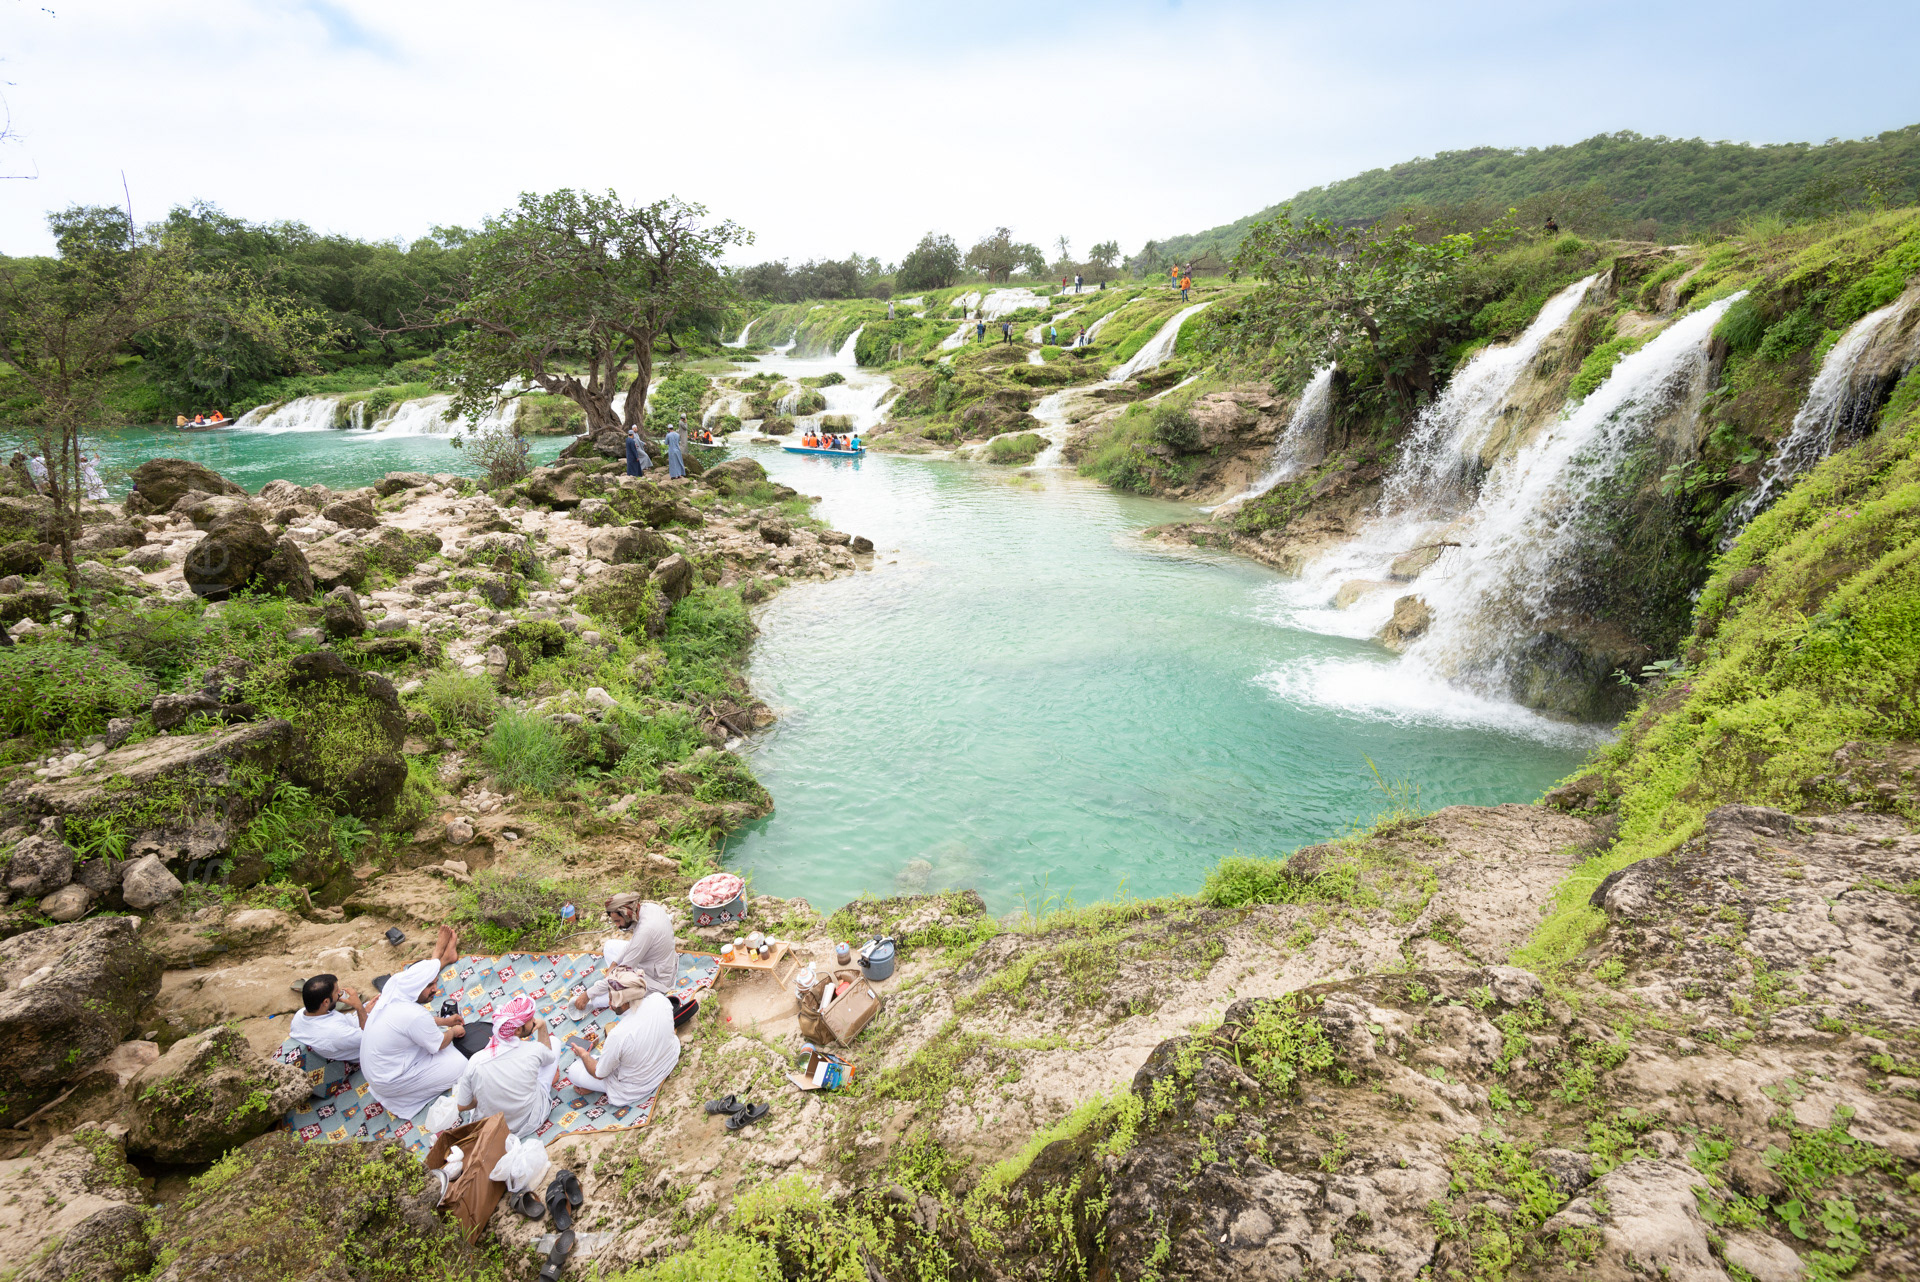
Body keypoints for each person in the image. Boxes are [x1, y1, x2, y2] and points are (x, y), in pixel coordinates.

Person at [360, 926, 468, 1122]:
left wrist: (444, 1021)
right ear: (416, 987)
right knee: (460, 1064)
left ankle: (442, 956)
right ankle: (404, 1098)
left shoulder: (395, 988)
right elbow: (438, 1044)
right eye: (429, 986)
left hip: (379, 1071)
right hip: (390, 1081)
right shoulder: (414, 1014)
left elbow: (413, 1025)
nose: (435, 989)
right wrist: (453, 1030)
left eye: (435, 983)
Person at [453, 994, 559, 1139]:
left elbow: (462, 1105)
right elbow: (549, 1059)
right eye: (530, 1020)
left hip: (494, 1130)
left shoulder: (475, 1062)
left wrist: (485, 1097)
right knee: (554, 1043)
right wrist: (543, 1027)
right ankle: (547, 1082)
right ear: (517, 1031)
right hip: (530, 1121)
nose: (534, 1021)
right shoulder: (534, 1050)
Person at [564, 991, 681, 1107]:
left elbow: (599, 1073)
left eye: (611, 1000)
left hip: (638, 1085)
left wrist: (584, 1055)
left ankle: (597, 1087)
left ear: (624, 1003)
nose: (609, 1003)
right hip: (668, 1059)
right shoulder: (658, 998)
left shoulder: (617, 1035)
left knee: (574, 1070)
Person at [291, 973, 373, 1062]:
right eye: (336, 991)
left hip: (350, 1034)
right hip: (367, 1055)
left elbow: (343, 1022)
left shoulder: (301, 1014)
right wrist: (359, 1007)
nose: (340, 992)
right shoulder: (335, 1033)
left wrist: (365, 1010)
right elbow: (369, 1036)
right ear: (326, 1002)